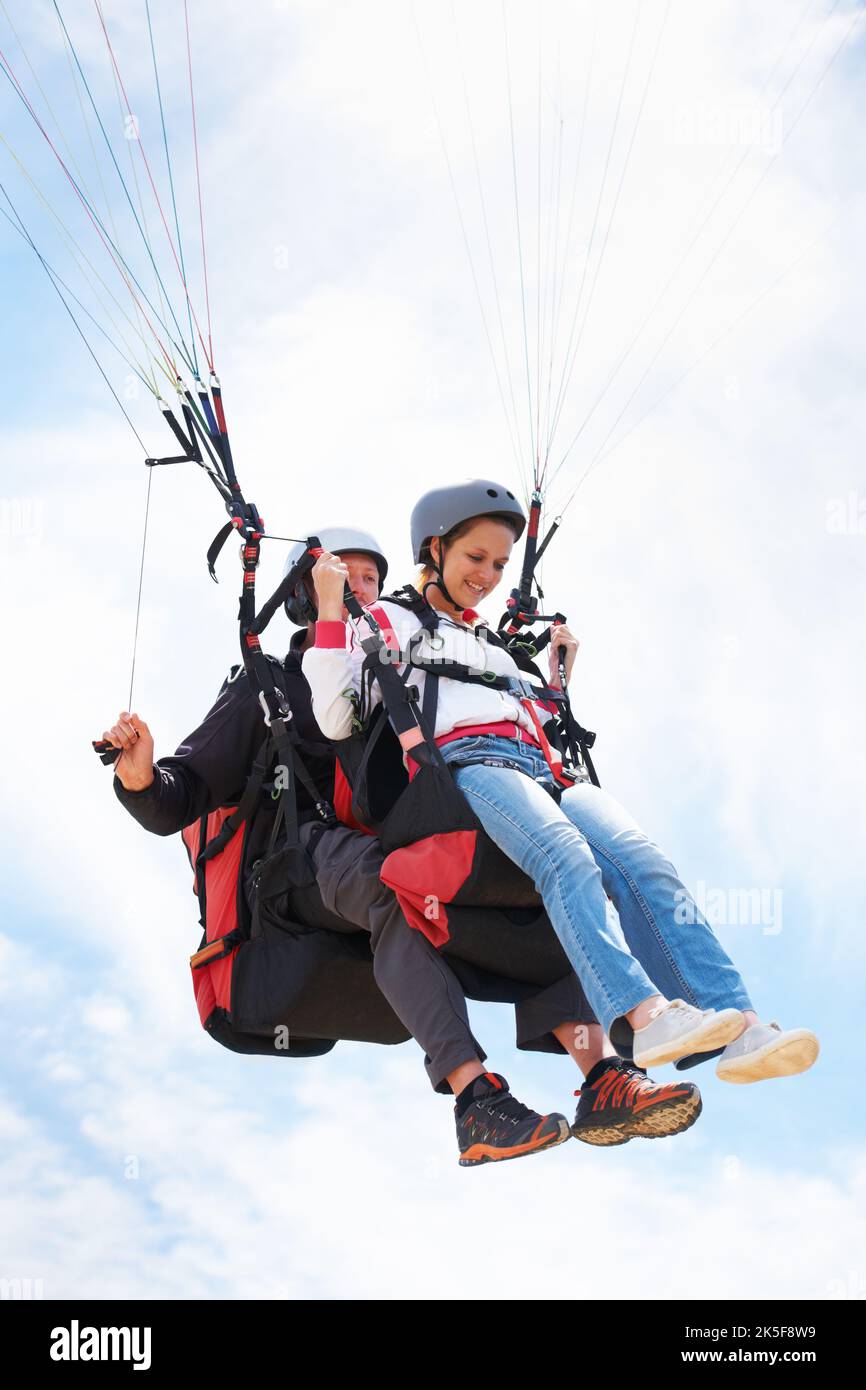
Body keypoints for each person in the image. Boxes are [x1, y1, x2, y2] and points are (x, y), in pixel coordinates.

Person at [100, 524, 703, 1167]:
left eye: (370, 581)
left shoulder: (396, 667)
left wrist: (544, 684)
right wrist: (138, 774)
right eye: (343, 578)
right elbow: (180, 796)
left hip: (405, 840)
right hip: (300, 865)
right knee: (390, 882)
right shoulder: (273, 683)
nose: (360, 592)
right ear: (304, 596)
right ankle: (476, 1101)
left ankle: (604, 1079)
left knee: (539, 884)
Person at [303, 481, 820, 1089]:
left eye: (498, 563)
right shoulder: (388, 619)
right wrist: (333, 610)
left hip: (545, 768)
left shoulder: (489, 642)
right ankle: (642, 1014)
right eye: (476, 559)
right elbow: (337, 717)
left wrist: (554, 682)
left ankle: (741, 1029)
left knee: (645, 867)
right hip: (471, 766)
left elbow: (540, 724)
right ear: (435, 549)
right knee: (567, 858)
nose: (489, 575)